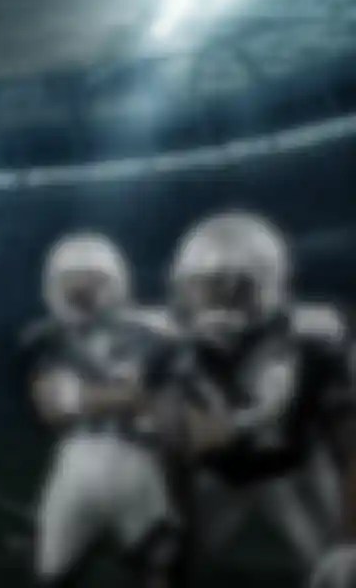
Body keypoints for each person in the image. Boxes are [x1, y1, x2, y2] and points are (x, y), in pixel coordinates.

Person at [165, 211, 354, 584]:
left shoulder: (316, 338)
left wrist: (351, 531)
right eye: (204, 286)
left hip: (294, 468)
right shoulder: (174, 346)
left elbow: (351, 440)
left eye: (234, 287)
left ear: (271, 283)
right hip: (219, 471)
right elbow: (174, 443)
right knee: (172, 561)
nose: (215, 302)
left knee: (339, 568)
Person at [20, 232, 187, 588]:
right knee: (54, 571)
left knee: (157, 564)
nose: (81, 293)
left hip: (139, 460)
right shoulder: (46, 339)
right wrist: (126, 397)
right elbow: (52, 408)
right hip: (79, 458)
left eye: (92, 282)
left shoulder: (155, 333)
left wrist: (84, 398)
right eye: (72, 284)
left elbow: (169, 407)